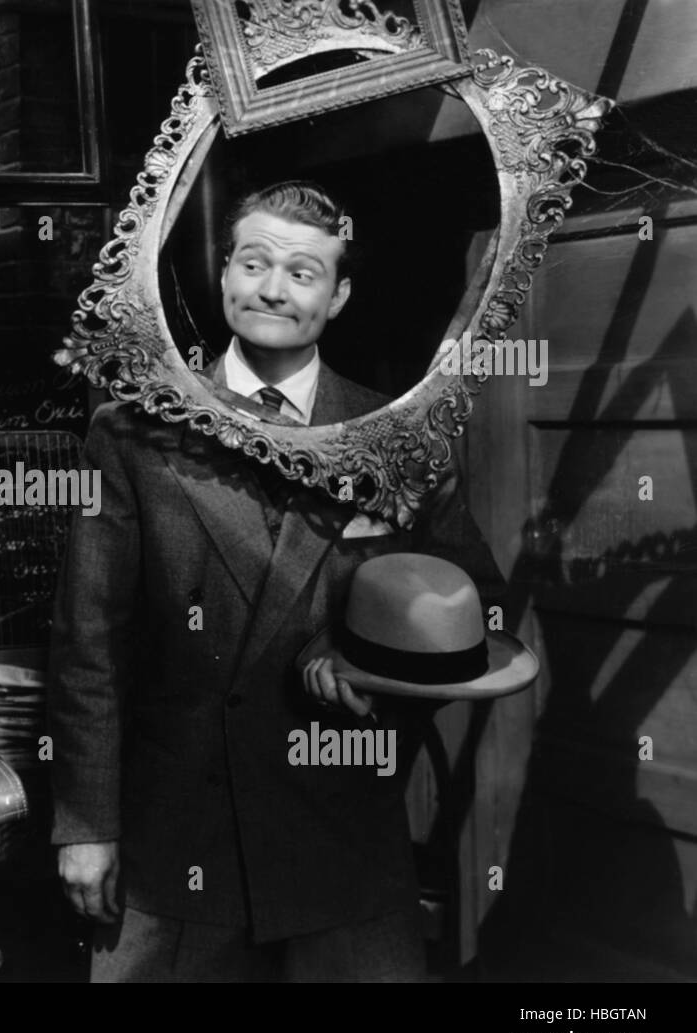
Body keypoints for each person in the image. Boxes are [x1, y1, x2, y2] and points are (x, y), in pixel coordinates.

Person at [47, 180, 506, 982]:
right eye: (253, 263)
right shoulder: (133, 433)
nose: (272, 290)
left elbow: (478, 609)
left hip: (345, 839)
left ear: (338, 297)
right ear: (224, 273)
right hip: (180, 845)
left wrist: (363, 654)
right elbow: (89, 642)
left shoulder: (395, 435)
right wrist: (87, 824)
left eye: (302, 273)